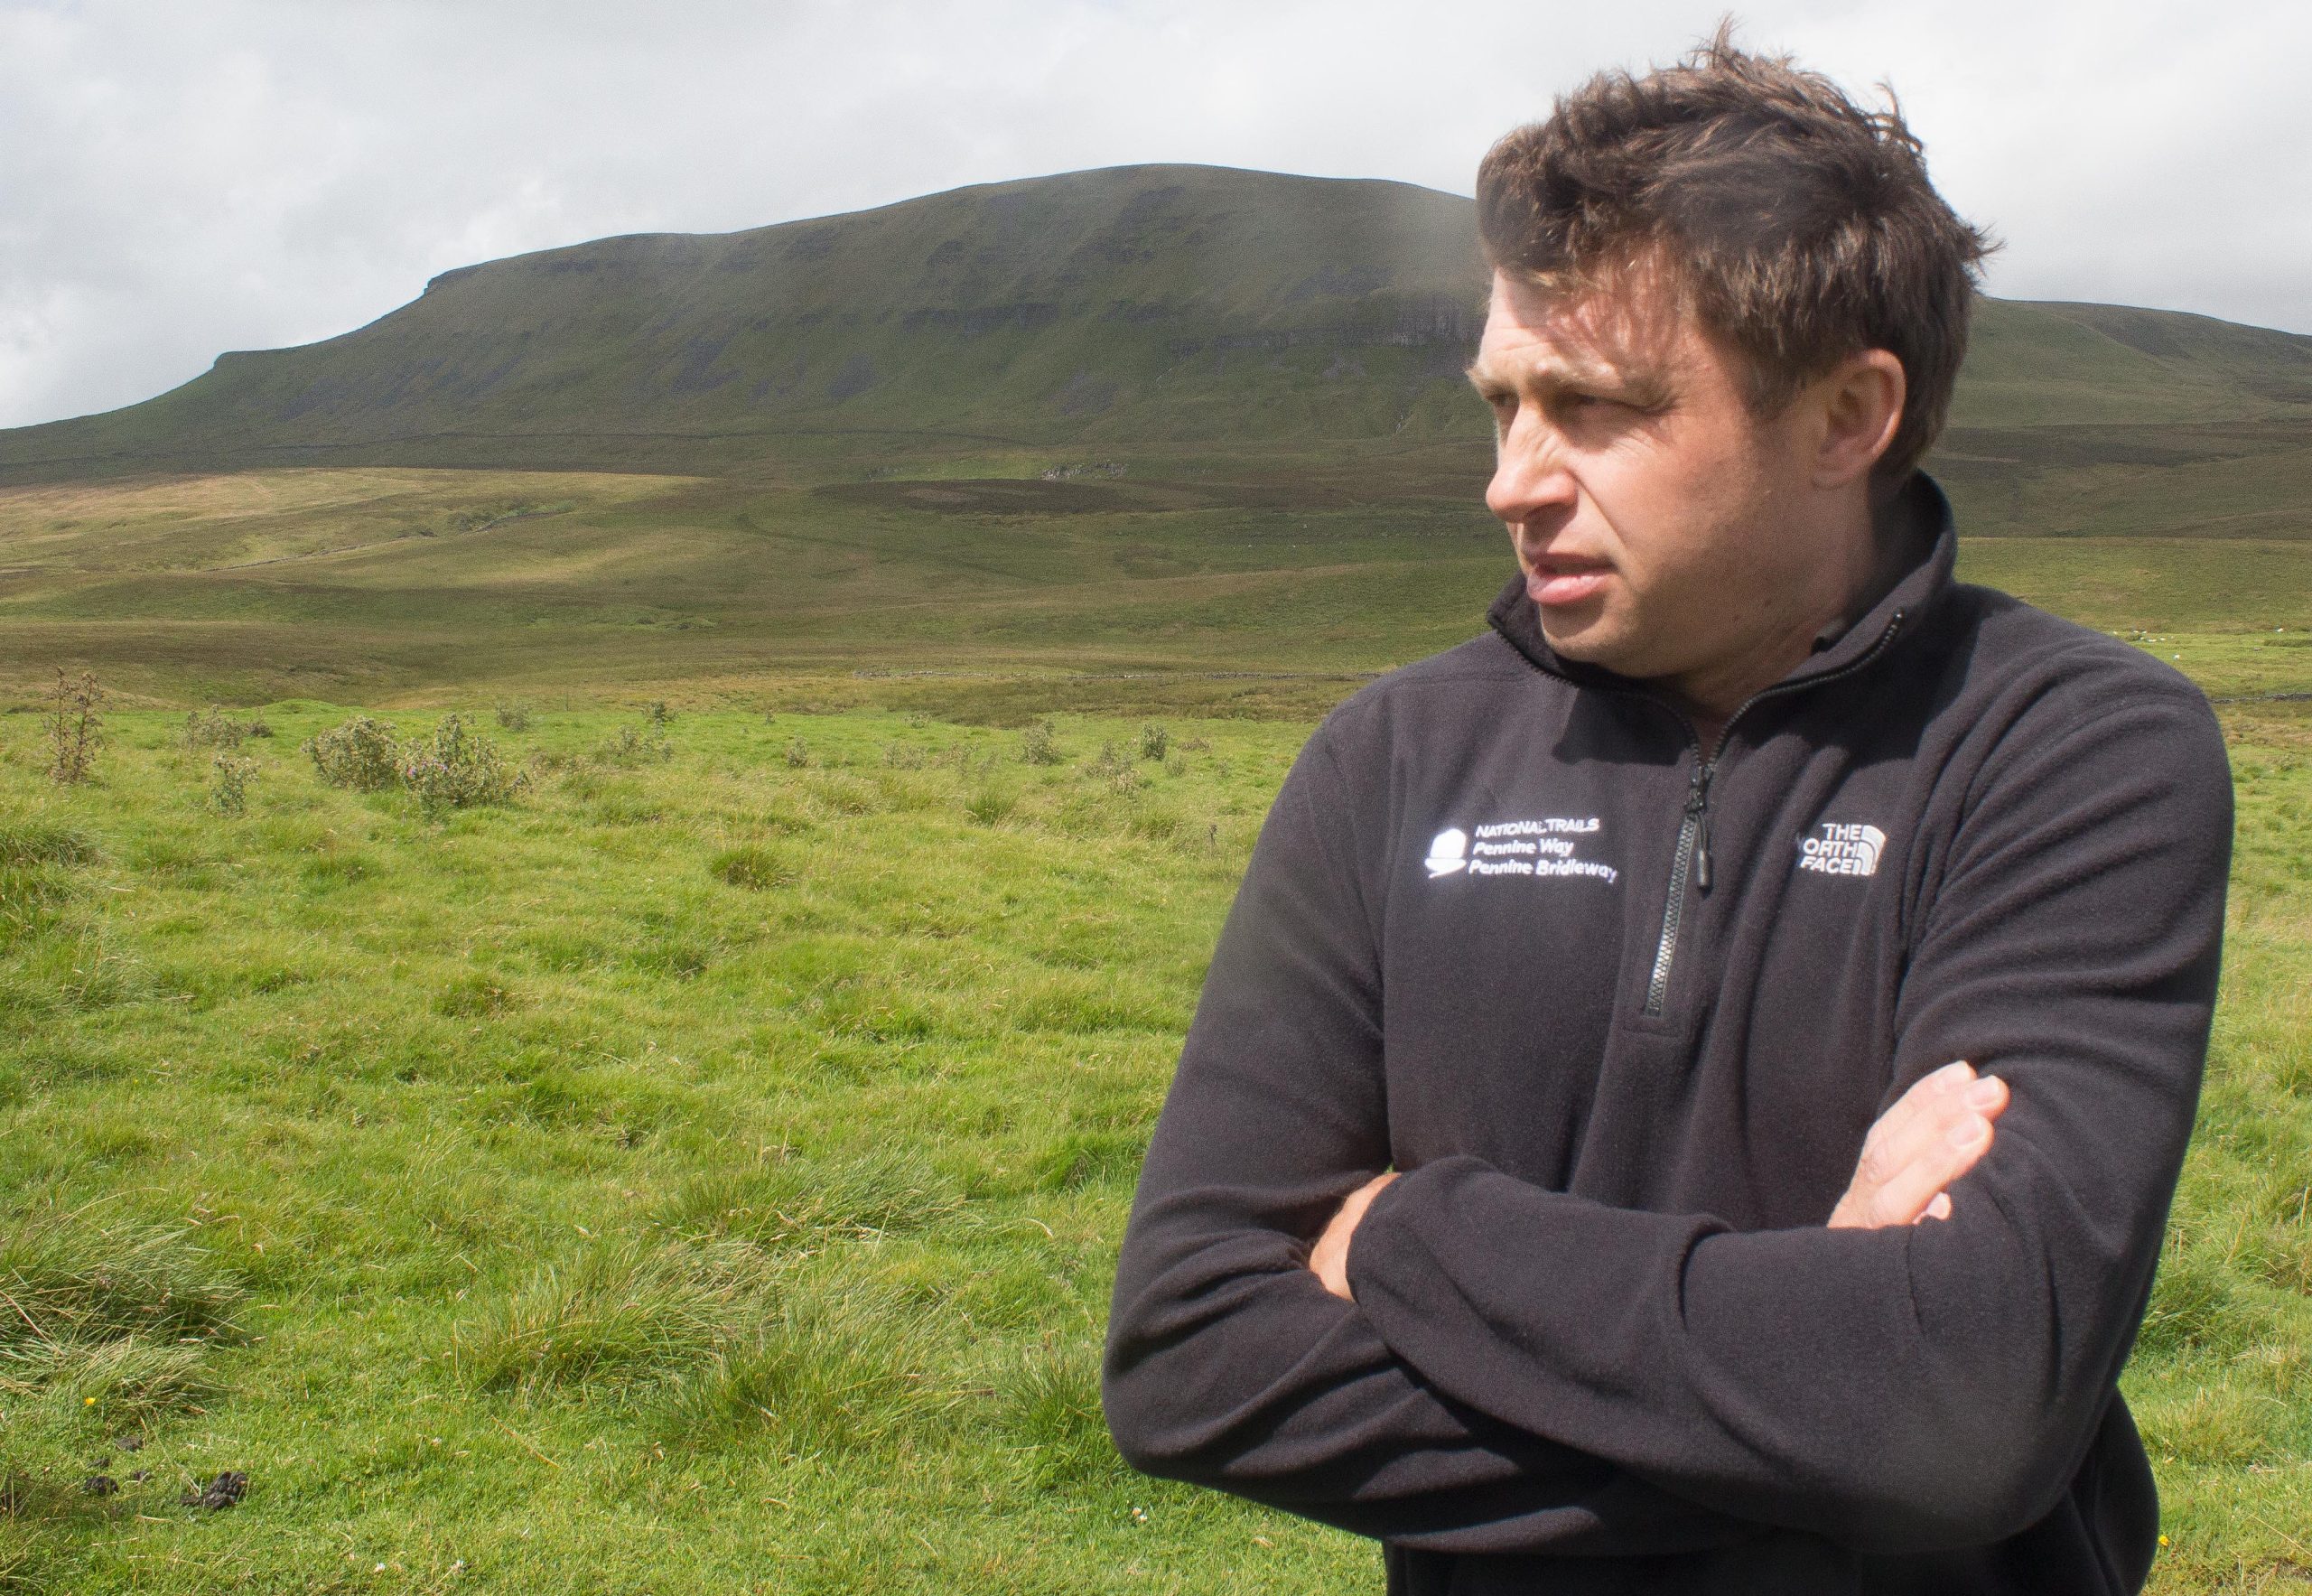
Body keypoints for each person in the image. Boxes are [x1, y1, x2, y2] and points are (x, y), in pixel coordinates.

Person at [1101, 33, 2232, 1596]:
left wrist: (1416, 1237)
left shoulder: (2071, 748)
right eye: (1502, 402)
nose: (1513, 479)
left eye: (1596, 408)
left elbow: (1970, 1409)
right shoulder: (1392, 760)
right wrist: (1831, 1415)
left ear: (1848, 418)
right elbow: (1189, 1355)